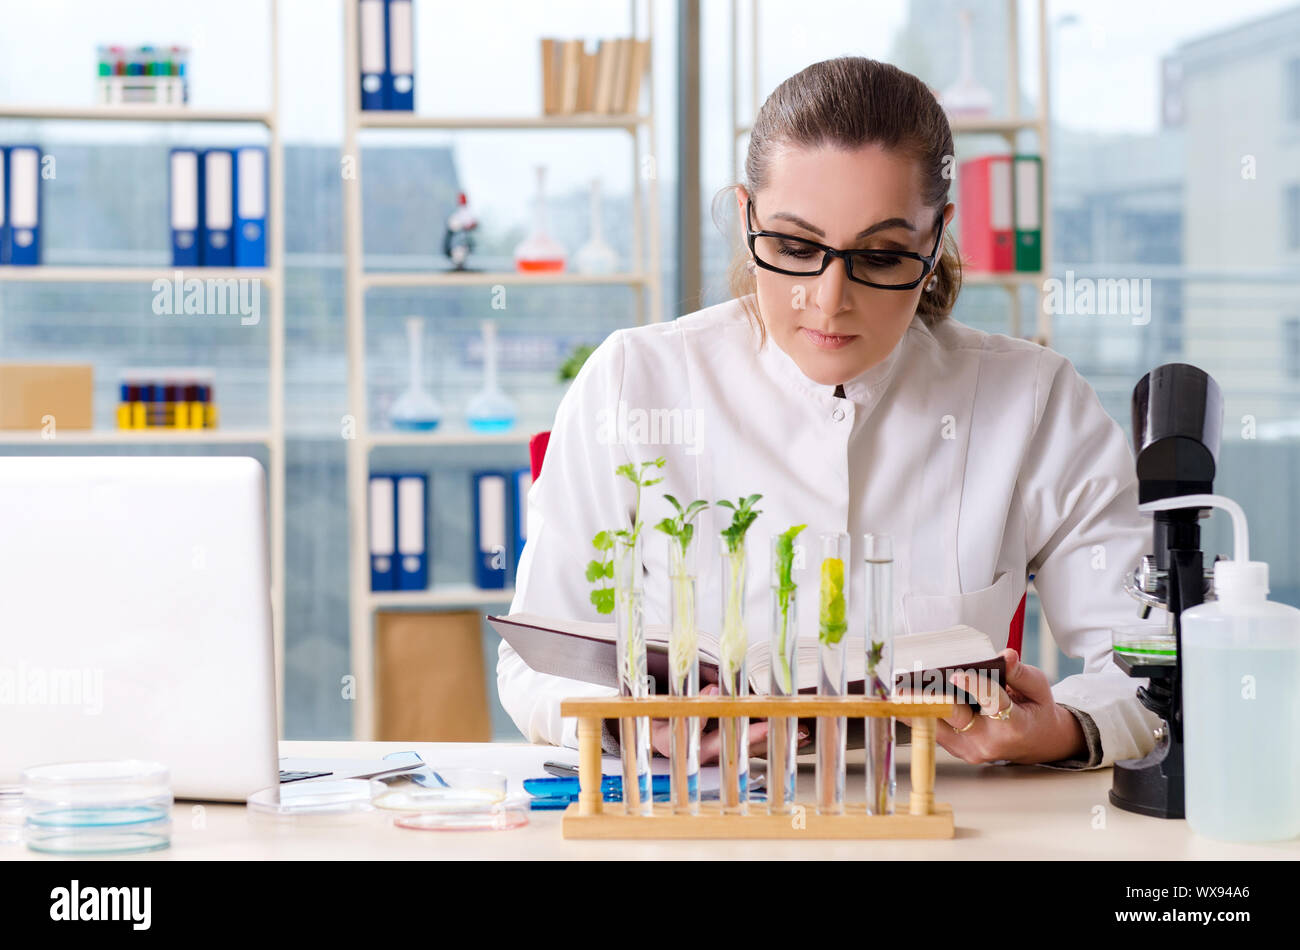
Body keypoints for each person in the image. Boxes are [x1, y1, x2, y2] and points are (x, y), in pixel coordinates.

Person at [497, 56, 1164, 769]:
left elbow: (1151, 662)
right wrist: (634, 726)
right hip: (701, 815)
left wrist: (1066, 728)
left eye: (880, 256)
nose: (828, 299)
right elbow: (536, 664)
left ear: (934, 238)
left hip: (941, 819)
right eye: (794, 246)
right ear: (749, 216)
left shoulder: (1031, 399)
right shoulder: (635, 381)